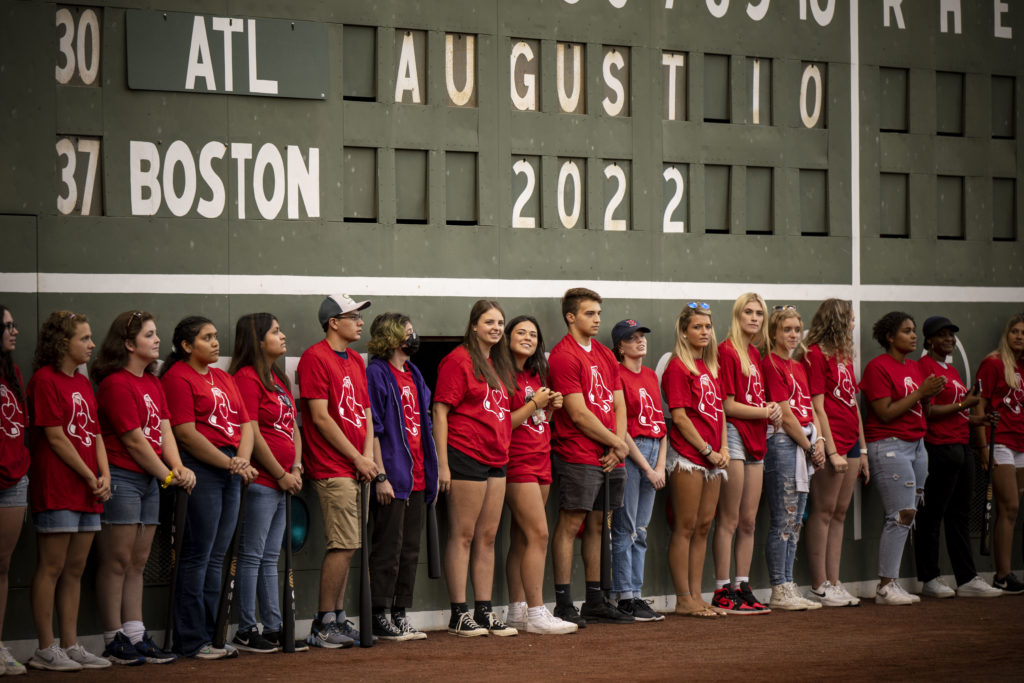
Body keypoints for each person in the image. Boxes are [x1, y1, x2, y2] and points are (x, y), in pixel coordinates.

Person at [93, 311, 196, 666]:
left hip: (151, 480)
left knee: (137, 561)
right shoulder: (115, 384)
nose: (156, 340)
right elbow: (134, 442)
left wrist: (177, 467)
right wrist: (169, 477)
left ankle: (135, 634)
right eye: (149, 335)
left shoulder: (152, 383)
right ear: (128, 343)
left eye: (156, 334)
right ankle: (112, 637)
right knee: (117, 560)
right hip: (123, 478)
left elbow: (164, 430)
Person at [160, 316, 257, 657]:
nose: (216, 343)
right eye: (207, 338)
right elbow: (185, 432)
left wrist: (240, 461)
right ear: (187, 346)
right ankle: (191, 638)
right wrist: (230, 463)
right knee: (196, 556)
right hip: (201, 469)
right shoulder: (177, 377)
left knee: (217, 557)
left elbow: (246, 425)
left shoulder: (224, 377)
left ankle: (213, 635)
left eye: (216, 336)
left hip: (230, 470)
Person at [26, 311, 111, 671]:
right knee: (52, 566)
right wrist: (89, 475)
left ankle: (71, 644)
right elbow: (56, 437)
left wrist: (103, 473)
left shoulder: (83, 382)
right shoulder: (44, 381)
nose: (92, 345)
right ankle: (46, 647)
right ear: (63, 343)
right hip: (59, 487)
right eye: (85, 338)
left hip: (88, 490)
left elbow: (94, 433)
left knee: (75, 569)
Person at [297, 295, 378, 648]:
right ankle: (323, 622)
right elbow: (319, 417)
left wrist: (366, 455)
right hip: (332, 466)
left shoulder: (357, 361)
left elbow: (366, 414)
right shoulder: (315, 358)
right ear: (333, 322)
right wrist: (356, 458)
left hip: (357, 465)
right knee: (343, 544)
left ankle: (339, 617)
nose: (360, 322)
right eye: (353, 316)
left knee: (350, 544)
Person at [548, 288, 633, 626]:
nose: (597, 319)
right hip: (577, 453)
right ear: (571, 316)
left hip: (611, 454)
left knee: (599, 524)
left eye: (598, 312)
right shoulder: (563, 355)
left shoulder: (604, 353)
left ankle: (595, 599)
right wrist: (619, 443)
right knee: (571, 524)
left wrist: (617, 446)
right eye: (589, 313)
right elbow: (579, 414)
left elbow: (619, 403)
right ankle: (564, 602)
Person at [433, 300, 518, 637]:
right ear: (473, 325)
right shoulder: (458, 360)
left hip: (496, 457)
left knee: (487, 536)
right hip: (464, 454)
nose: (496, 328)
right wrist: (443, 464)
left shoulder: (497, 363)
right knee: (463, 535)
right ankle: (458, 613)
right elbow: (440, 411)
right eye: (489, 322)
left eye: (500, 322)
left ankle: (484, 610)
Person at [229, 313, 306, 653]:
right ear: (258, 340)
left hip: (284, 481)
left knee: (270, 556)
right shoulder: (247, 377)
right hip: (262, 481)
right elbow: (253, 432)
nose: (283, 335)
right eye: (275, 331)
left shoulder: (278, 379)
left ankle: (274, 626)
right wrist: (279, 473)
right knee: (252, 555)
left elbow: (292, 427)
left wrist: (298, 466)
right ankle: (247, 628)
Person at [915, 316, 1002, 598]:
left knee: (959, 516)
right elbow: (928, 413)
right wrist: (967, 403)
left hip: (961, 447)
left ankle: (966, 578)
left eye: (951, 335)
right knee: (932, 516)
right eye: (942, 335)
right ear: (929, 340)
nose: (949, 340)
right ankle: (929, 578)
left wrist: (979, 420)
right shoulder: (925, 368)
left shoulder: (950, 370)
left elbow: (958, 413)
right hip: (938, 449)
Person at [861, 311, 943, 605]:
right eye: (907, 331)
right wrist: (921, 391)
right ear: (889, 337)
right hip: (889, 444)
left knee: (910, 513)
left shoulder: (915, 366)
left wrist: (930, 393)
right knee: (900, 514)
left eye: (914, 330)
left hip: (918, 445)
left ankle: (892, 582)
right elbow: (884, 412)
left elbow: (924, 410)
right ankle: (885, 585)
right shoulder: (877, 367)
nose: (913, 335)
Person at [365, 313, 437, 641]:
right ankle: (379, 613)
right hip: (392, 476)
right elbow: (374, 429)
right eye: (408, 332)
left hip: (418, 477)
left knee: (409, 549)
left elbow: (426, 425)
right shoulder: (377, 373)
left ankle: (400, 612)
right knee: (387, 547)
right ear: (392, 337)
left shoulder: (413, 372)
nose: (414, 337)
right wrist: (381, 475)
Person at [502, 315, 576, 635]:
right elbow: (504, 423)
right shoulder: (500, 374)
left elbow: (539, 420)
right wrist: (534, 403)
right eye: (521, 332)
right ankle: (535, 611)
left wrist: (551, 407)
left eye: (533, 334)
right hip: (516, 462)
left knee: (522, 537)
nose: (528, 338)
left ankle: (517, 610)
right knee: (539, 535)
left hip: (540, 458)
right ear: (507, 338)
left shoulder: (536, 373)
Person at [711, 293, 777, 615]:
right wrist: (765, 412)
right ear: (737, 316)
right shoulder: (726, 351)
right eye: (748, 312)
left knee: (749, 521)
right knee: (730, 518)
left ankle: (743, 585)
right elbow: (728, 405)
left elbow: (757, 402)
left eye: (759, 314)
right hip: (734, 435)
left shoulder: (756, 353)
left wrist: (771, 411)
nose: (754, 318)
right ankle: (722, 589)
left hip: (757, 439)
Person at [800, 299, 869, 607]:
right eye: (851, 319)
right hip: (832, 441)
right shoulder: (814, 354)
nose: (854, 324)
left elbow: (852, 404)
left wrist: (863, 448)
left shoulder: (842, 355)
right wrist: (830, 449)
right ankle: (819, 584)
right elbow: (818, 406)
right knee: (824, 511)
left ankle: (835, 581)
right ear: (839, 320)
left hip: (851, 440)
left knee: (840, 512)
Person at [661, 302, 728, 618]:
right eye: (697, 327)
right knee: (685, 526)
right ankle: (683, 597)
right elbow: (680, 417)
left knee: (704, 526)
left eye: (707, 326)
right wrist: (706, 450)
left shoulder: (712, 367)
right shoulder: (678, 366)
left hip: (714, 458)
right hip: (688, 456)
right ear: (684, 332)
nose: (704, 332)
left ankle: (697, 595)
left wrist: (724, 449)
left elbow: (720, 413)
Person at [761, 305, 825, 611]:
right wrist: (811, 447)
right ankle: (778, 586)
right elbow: (785, 415)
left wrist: (820, 440)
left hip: (805, 441)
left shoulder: (798, 366)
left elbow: (809, 407)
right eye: (786, 329)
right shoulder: (770, 363)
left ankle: (788, 582)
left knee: (797, 520)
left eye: (796, 330)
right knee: (783, 518)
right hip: (784, 444)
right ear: (774, 332)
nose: (792, 335)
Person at [609, 319, 666, 621]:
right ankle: (624, 597)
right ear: (620, 346)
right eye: (631, 338)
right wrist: (647, 467)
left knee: (640, 530)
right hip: (632, 452)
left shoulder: (650, 376)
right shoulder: (616, 374)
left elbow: (661, 423)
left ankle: (637, 593)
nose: (639, 342)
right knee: (625, 528)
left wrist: (659, 465)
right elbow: (623, 428)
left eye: (641, 336)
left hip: (654, 449)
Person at [975, 312, 1024, 594]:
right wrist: (982, 447)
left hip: (1021, 442)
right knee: (1010, 507)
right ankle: (1002, 575)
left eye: (1023, 333)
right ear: (1007, 334)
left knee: (1013, 511)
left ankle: (1006, 573)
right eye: (1015, 331)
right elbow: (978, 406)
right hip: (1000, 441)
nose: (1019, 336)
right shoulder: (993, 363)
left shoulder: (1022, 366)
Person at [0, 305, 29, 675]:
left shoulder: (14, 372)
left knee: (2, 564)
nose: (14, 331)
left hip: (14, 479)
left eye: (13, 323)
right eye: (5, 326)